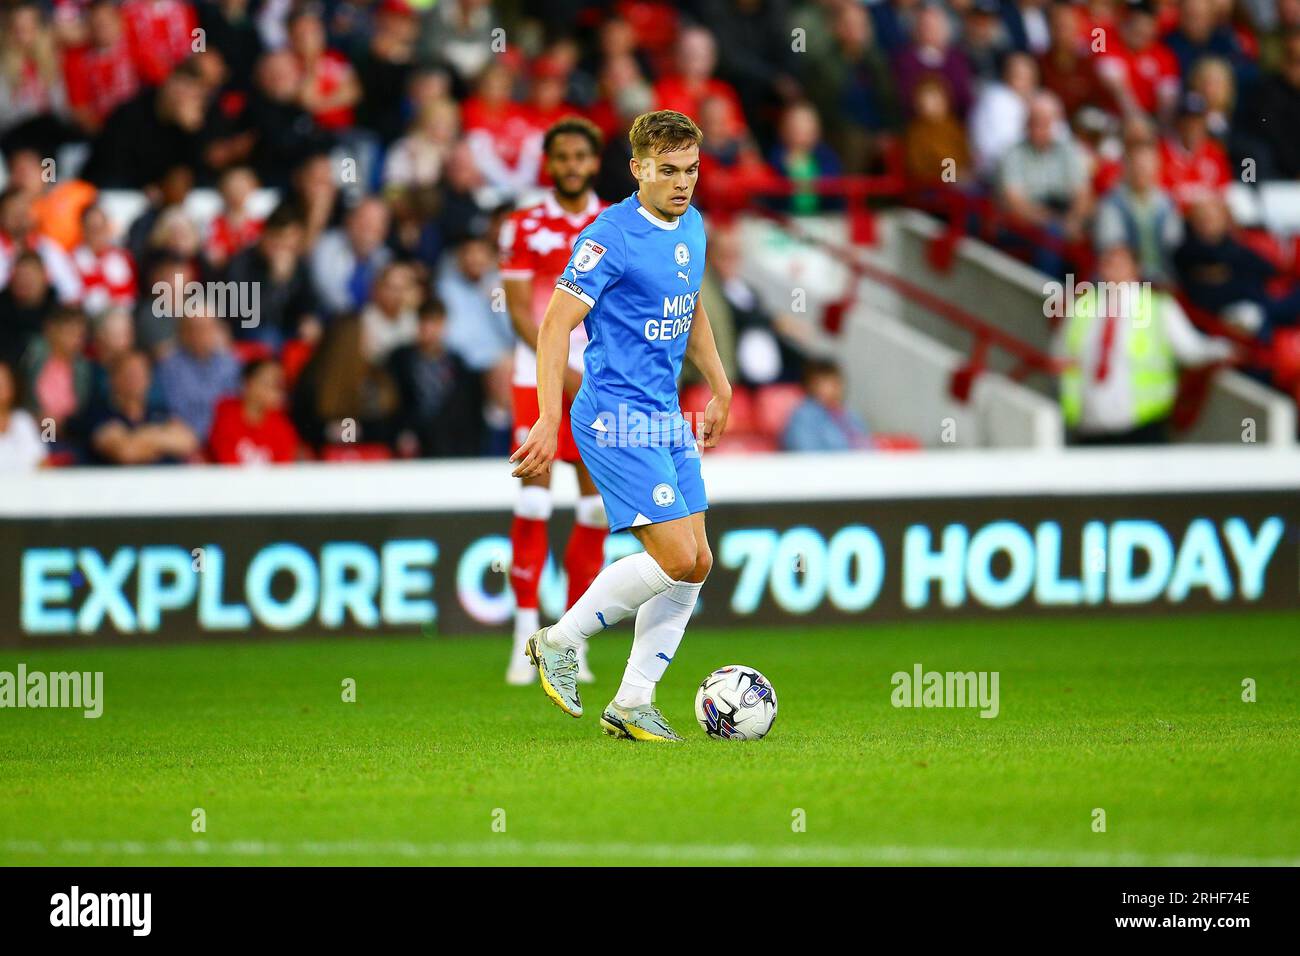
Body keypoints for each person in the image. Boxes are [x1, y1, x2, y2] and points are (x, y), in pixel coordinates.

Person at [510, 110, 731, 743]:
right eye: (668, 171)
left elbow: (689, 311)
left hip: (663, 417)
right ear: (637, 169)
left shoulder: (692, 226)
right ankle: (558, 640)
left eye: (691, 170)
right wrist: (549, 419)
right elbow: (554, 326)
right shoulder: (610, 236)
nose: (683, 183)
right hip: (613, 417)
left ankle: (632, 701)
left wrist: (719, 383)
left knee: (698, 563)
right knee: (676, 556)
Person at [498, 117, 608, 686]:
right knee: (534, 503)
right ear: (549, 163)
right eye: (560, 156)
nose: (570, 165)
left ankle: (572, 641)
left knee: (595, 509)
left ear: (593, 162)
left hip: (600, 384)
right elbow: (520, 310)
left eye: (579, 157)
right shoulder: (522, 225)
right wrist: (563, 371)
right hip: (536, 380)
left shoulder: (616, 223)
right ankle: (523, 638)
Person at [1056, 242, 1238, 444]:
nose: (1111, 267)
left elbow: (1191, 350)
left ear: (1136, 268)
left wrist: (1223, 349)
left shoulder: (1159, 307)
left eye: (1119, 262)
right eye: (1107, 261)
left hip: (1143, 423)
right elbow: (1060, 353)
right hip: (1090, 422)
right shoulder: (1083, 305)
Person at [89, 350, 199, 464]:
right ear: (113, 379)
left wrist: (140, 437)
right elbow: (126, 453)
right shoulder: (100, 414)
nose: (136, 379)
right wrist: (162, 439)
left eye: (141, 373)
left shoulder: (158, 412)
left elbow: (188, 442)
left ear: (149, 379)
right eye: (130, 374)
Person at [208, 358, 300, 464]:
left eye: (280, 385)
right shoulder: (224, 412)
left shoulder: (283, 426)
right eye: (269, 383)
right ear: (247, 383)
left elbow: (282, 469)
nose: (276, 390)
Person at [781, 359, 873, 451]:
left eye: (838, 382)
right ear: (812, 385)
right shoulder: (804, 417)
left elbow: (867, 447)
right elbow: (805, 452)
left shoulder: (850, 415)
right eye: (830, 383)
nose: (837, 388)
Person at [0, 358, 46, 470]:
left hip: (27, 486)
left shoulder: (23, 420)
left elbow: (41, 462)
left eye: (5, 381)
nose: (1, 386)